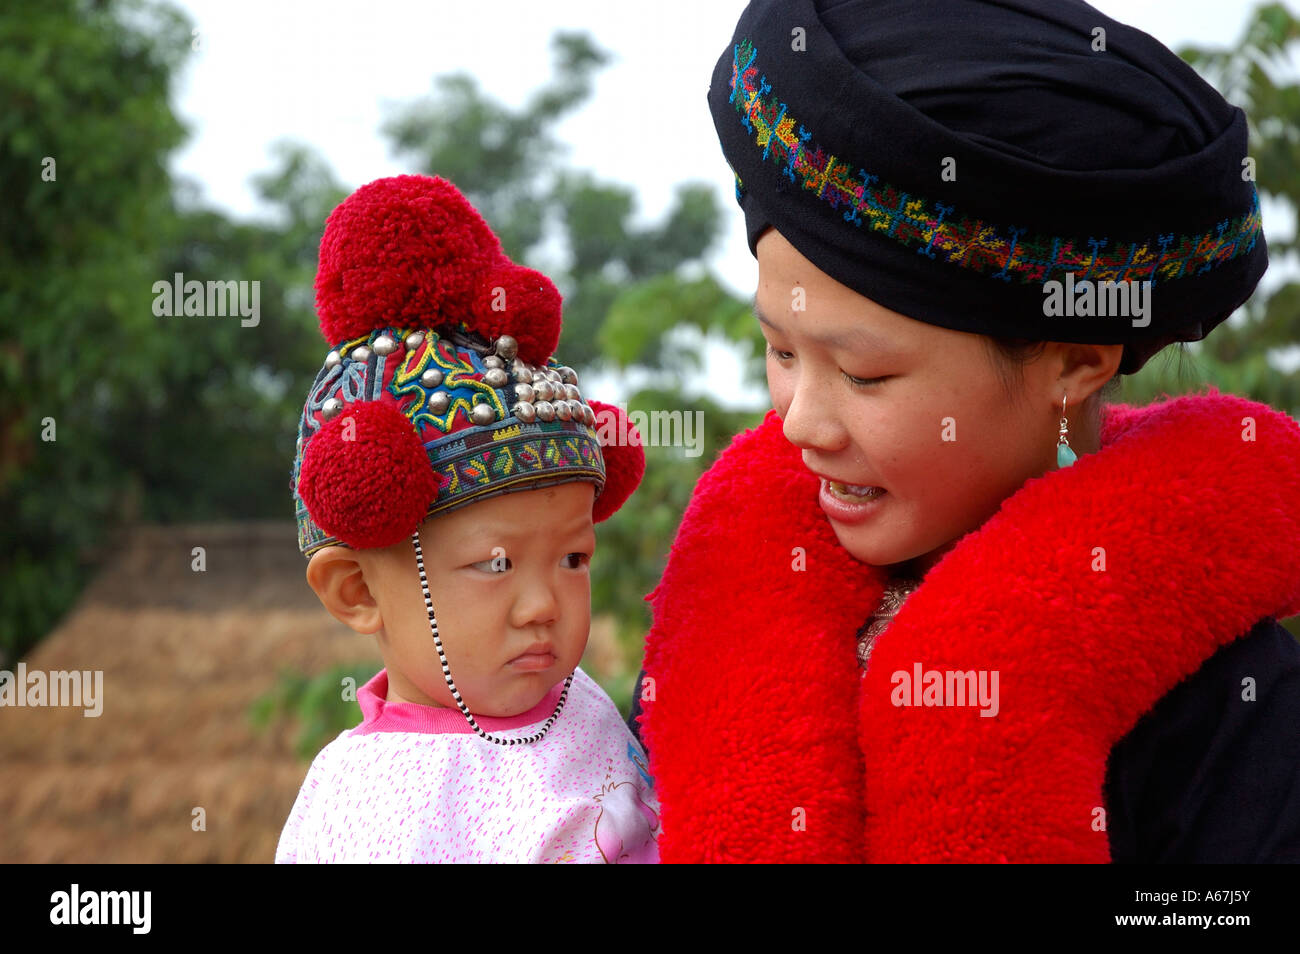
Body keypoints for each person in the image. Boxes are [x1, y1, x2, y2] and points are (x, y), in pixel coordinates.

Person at [628, 0, 1300, 862]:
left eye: (866, 375)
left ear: (1075, 359)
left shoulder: (1234, 721)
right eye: (780, 350)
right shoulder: (714, 641)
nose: (800, 422)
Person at [275, 174, 659, 864]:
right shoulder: (363, 811)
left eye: (573, 559)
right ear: (357, 591)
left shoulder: (585, 705)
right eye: (496, 564)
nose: (544, 606)